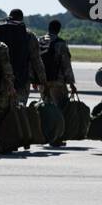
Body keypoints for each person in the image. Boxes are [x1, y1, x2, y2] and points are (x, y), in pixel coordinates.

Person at [38, 19, 77, 147]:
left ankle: (45, 134)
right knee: (59, 109)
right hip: (57, 82)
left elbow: (34, 60)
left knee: (46, 108)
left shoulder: (40, 41)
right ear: (58, 30)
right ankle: (56, 137)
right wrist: (71, 82)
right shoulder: (60, 44)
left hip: (43, 81)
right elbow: (66, 64)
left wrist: (35, 79)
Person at [5, 9, 47, 100]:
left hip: (3, 79)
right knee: (20, 109)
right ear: (21, 19)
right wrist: (42, 80)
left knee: (3, 111)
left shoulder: (0, 32)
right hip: (22, 78)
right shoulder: (29, 35)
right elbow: (36, 59)